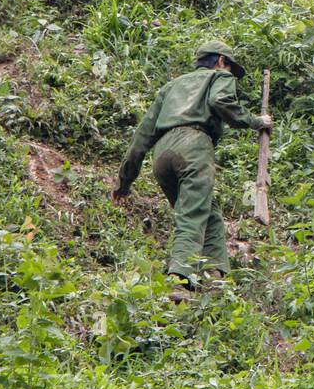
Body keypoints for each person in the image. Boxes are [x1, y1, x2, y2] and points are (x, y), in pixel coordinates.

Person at [111, 40, 272, 280]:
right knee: (192, 216)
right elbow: (221, 101)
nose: (229, 73)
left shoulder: (171, 87)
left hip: (162, 155)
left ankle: (215, 273)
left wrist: (124, 183)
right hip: (194, 146)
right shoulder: (219, 77)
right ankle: (179, 278)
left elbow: (141, 138)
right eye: (229, 67)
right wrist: (256, 122)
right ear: (220, 61)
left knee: (209, 213)